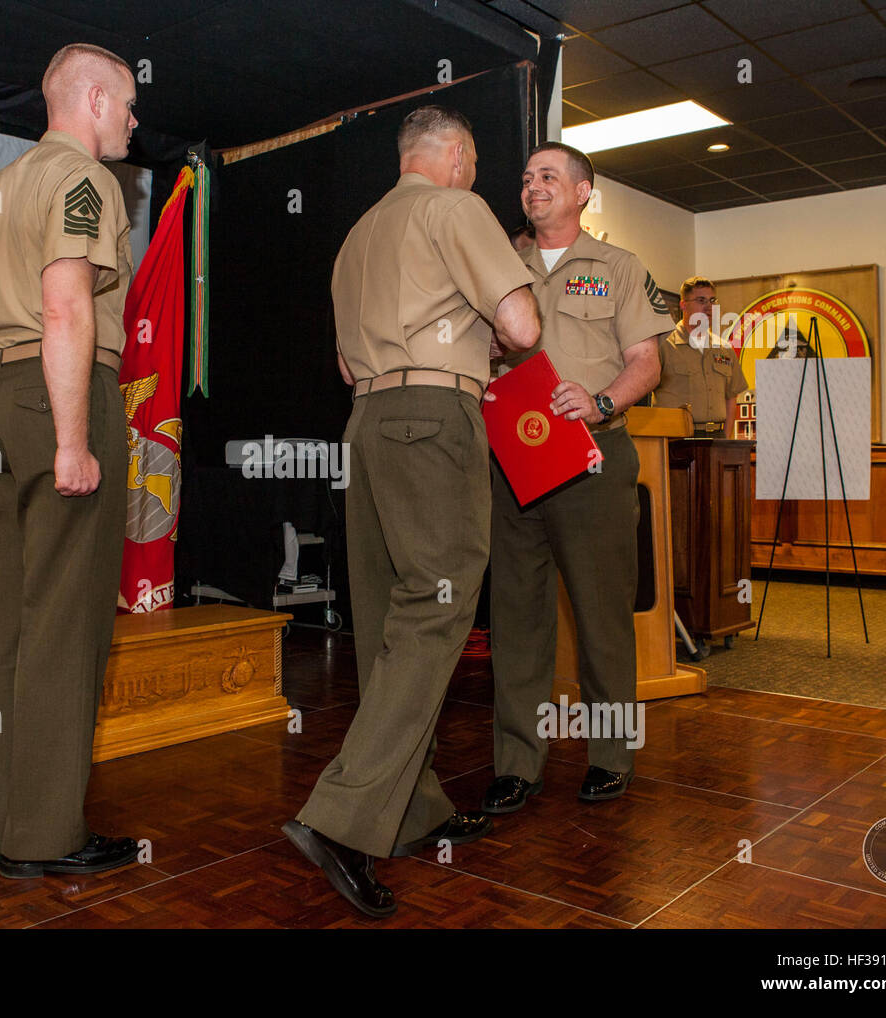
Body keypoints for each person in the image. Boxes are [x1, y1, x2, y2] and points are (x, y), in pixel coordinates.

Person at [282, 106, 540, 918]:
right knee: (437, 611)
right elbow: (523, 326)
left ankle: (412, 805)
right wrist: (495, 337)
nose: (476, 176)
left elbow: (340, 356)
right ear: (458, 156)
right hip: (436, 419)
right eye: (475, 162)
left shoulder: (358, 234)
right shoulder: (455, 208)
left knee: (388, 614)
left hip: (366, 424)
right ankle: (344, 819)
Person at [0, 43, 140, 879]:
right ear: (94, 99)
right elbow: (67, 309)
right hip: (60, 393)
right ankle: (48, 836)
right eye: (129, 105)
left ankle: (3, 827)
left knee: (14, 626)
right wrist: (72, 439)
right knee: (66, 627)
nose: (135, 123)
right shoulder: (83, 180)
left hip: (0, 393)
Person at [484, 142, 668, 814]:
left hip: (591, 458)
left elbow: (645, 363)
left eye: (549, 176)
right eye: (527, 176)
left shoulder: (619, 267)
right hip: (514, 461)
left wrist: (602, 402)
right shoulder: (499, 260)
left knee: (601, 617)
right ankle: (517, 764)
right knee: (516, 617)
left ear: (585, 190)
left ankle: (611, 755)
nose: (533, 186)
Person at [652, 275, 748, 432]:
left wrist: (726, 439)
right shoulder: (663, 345)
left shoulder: (724, 348)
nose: (709, 307)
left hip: (716, 436)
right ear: (683, 305)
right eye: (701, 301)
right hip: (674, 438)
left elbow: (731, 397)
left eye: (712, 301)